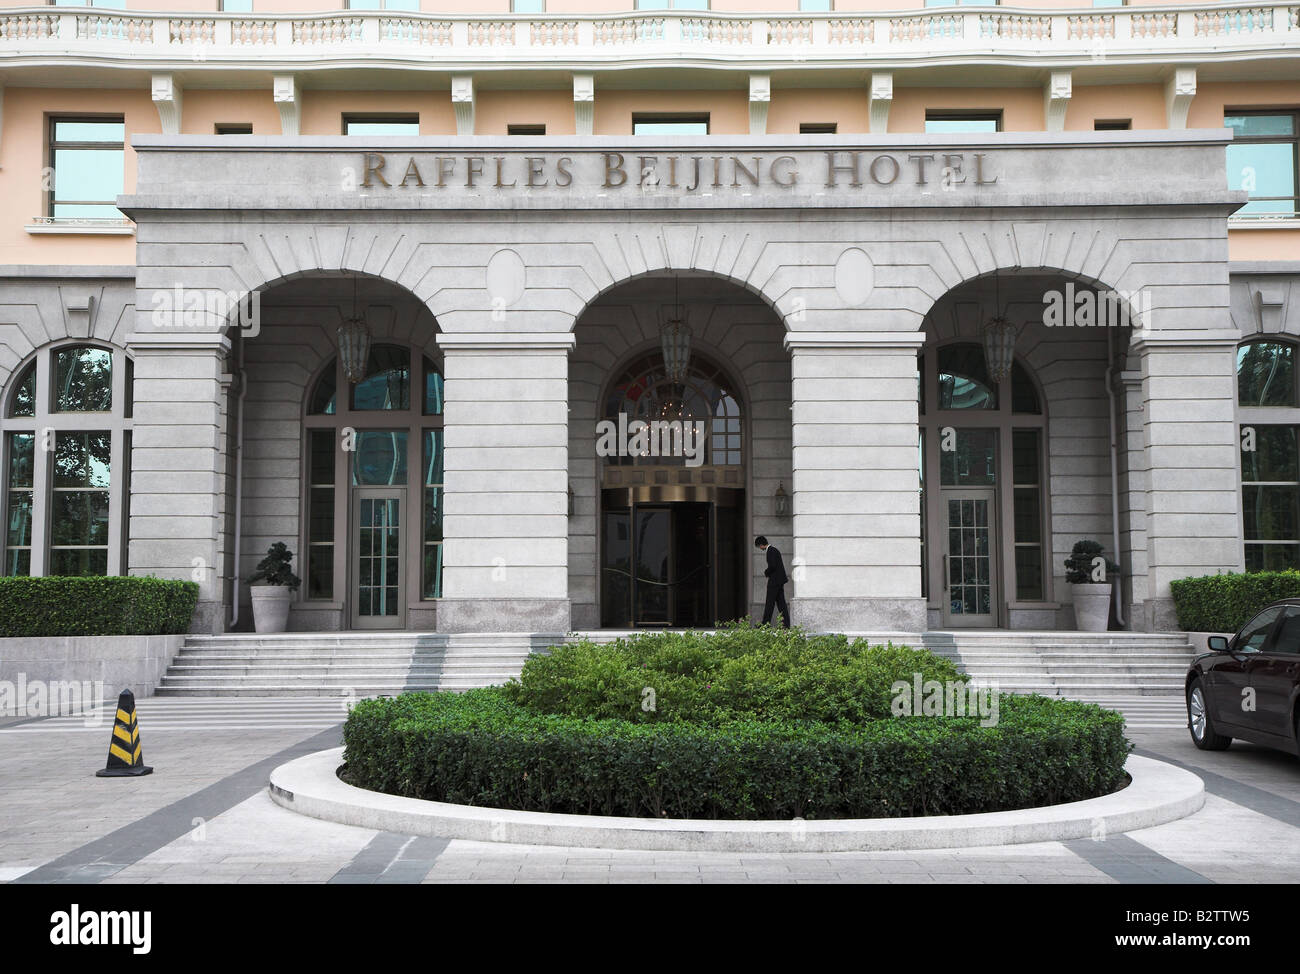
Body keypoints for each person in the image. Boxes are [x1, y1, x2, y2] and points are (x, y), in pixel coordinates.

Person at [754, 535, 790, 629]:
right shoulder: (774, 550)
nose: (760, 548)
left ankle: (765, 624)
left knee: (769, 603)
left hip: (774, 581)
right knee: (781, 604)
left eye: (759, 547)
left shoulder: (770, 551)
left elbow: (773, 566)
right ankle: (786, 624)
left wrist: (766, 572)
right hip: (779, 581)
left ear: (761, 545)